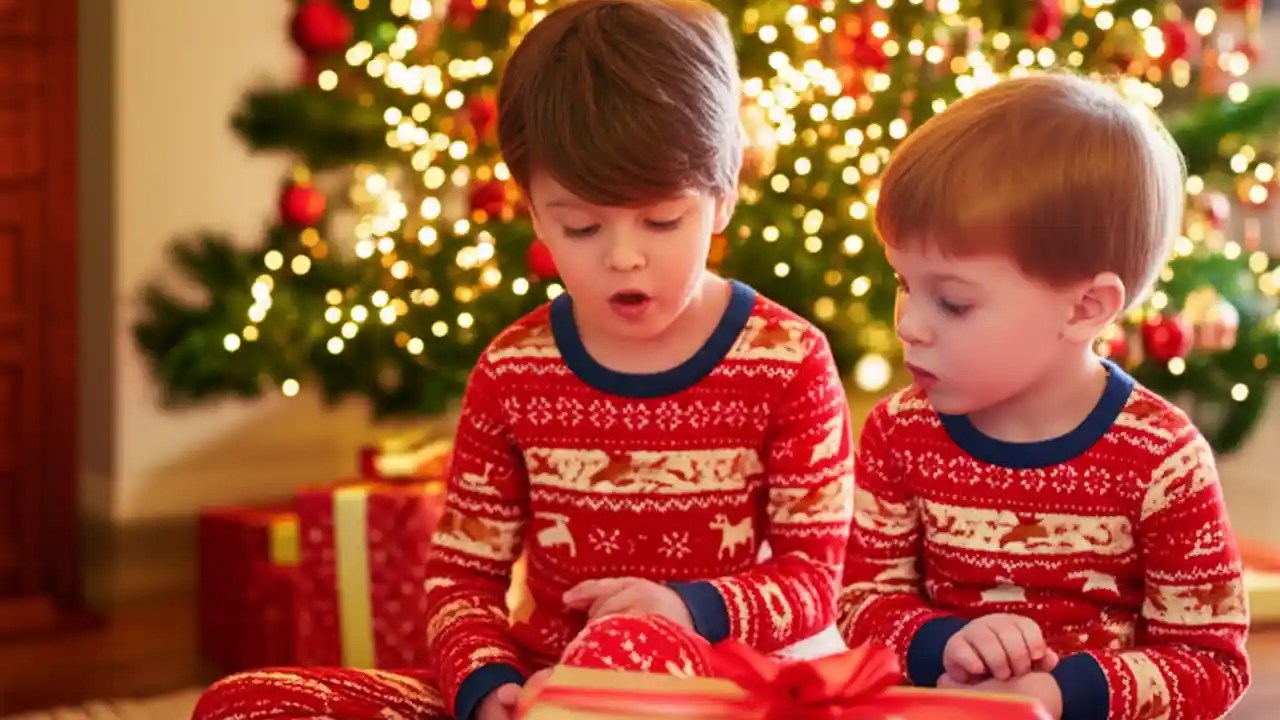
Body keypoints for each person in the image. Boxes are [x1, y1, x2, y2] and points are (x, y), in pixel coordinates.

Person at [193, 1, 854, 719]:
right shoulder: (515, 370)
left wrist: (680, 611)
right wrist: (485, 685)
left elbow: (817, 580)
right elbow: (462, 579)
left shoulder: (788, 360)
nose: (624, 255)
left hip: (704, 694)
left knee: (618, 654)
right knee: (245, 703)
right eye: (580, 225)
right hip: (535, 691)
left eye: (663, 221)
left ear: (721, 200)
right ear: (536, 213)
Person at [837, 73, 1250, 720]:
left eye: (951, 300)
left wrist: (1062, 693)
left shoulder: (1161, 459)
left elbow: (1211, 662)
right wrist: (944, 643)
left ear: (1085, 308)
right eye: (903, 282)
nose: (909, 323)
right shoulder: (899, 431)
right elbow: (861, 603)